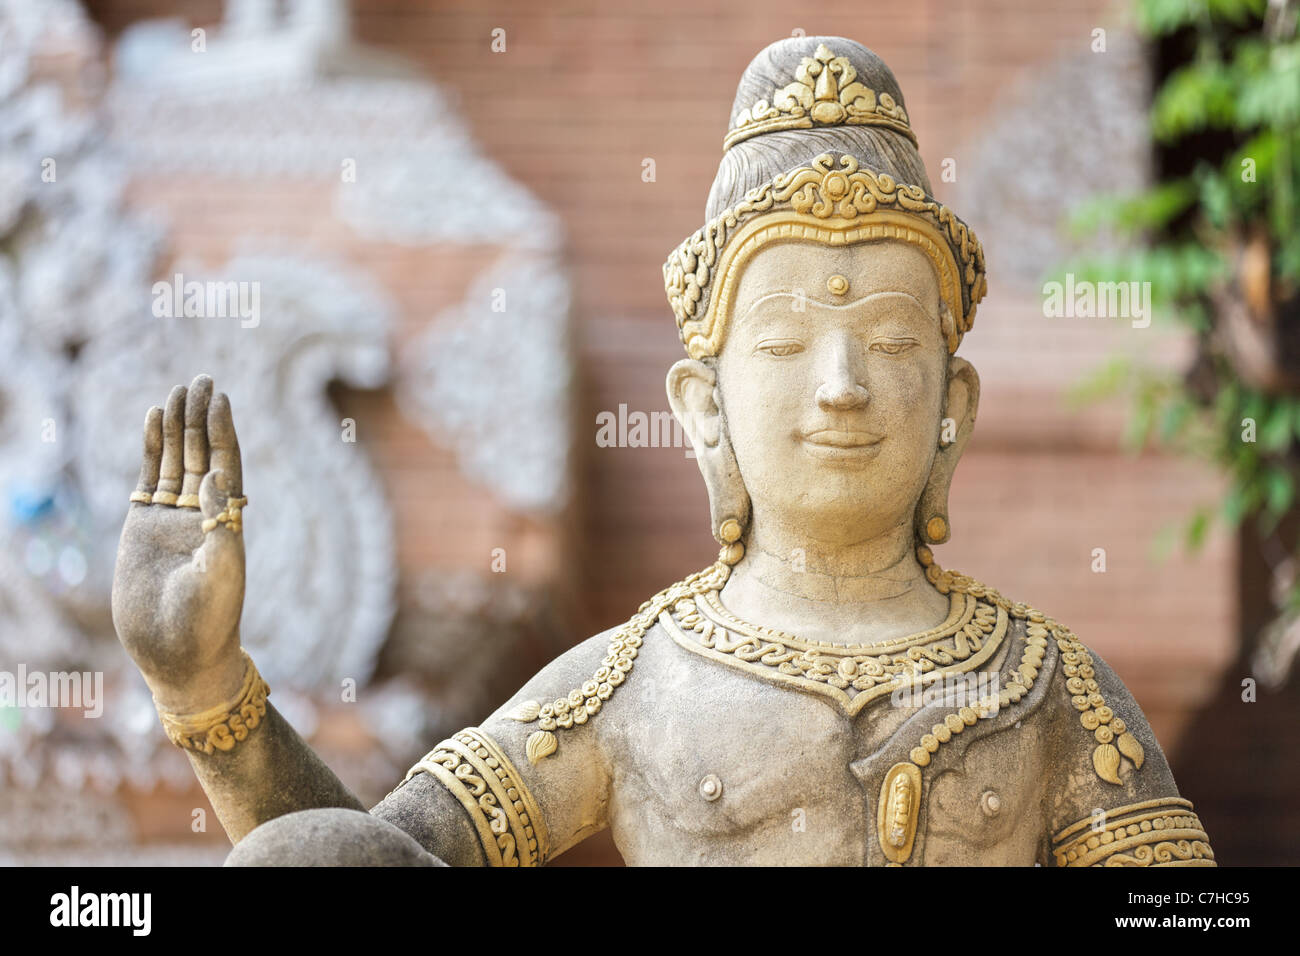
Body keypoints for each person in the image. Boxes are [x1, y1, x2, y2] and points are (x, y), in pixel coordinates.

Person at [111, 36, 1215, 866]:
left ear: (953, 406)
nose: (840, 386)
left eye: (889, 338)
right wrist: (209, 693)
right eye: (784, 342)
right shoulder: (633, 684)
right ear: (701, 407)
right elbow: (368, 867)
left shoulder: (1048, 689)